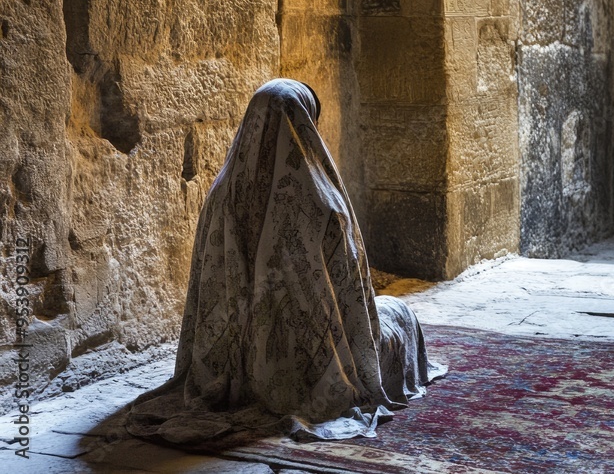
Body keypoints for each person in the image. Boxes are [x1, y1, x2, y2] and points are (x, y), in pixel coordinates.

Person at [126, 79, 445, 444]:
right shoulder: (324, 204)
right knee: (401, 316)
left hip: (227, 367)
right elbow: (353, 301)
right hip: (313, 369)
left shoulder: (220, 196)